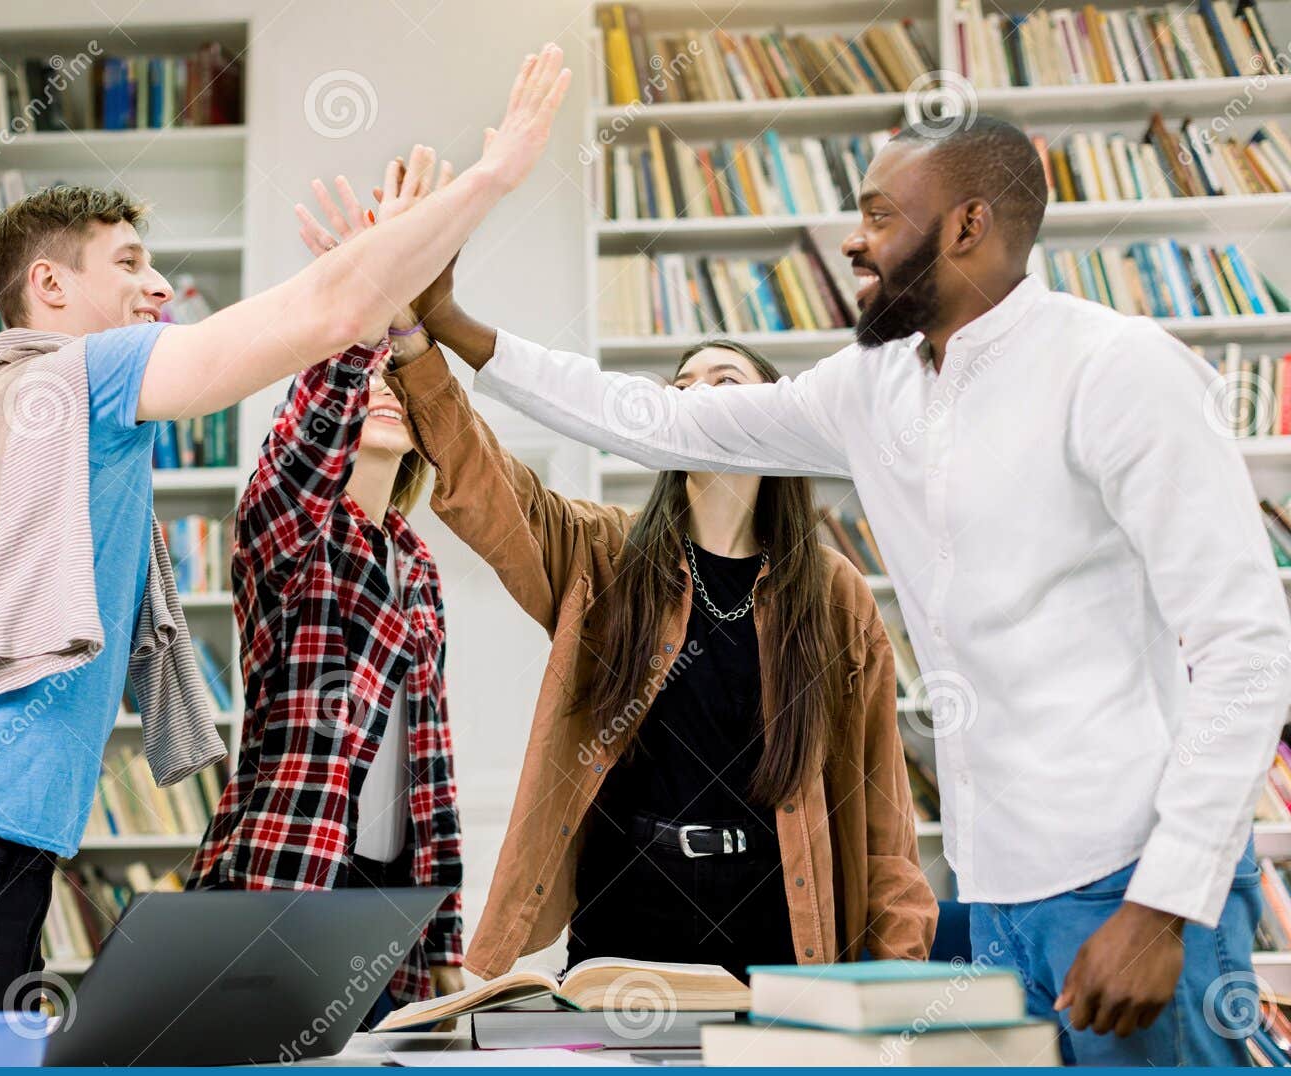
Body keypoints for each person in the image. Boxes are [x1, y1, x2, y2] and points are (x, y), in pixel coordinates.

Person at [0, 44, 571, 1066]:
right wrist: (485, 182)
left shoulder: (54, 424)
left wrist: (370, 286)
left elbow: (324, 326)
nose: (159, 287)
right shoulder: (65, 380)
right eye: (130, 265)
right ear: (48, 284)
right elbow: (311, 325)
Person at [436, 112, 1290, 1064]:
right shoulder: (874, 386)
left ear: (968, 226)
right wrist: (459, 329)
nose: (852, 239)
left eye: (880, 215)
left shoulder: (1117, 370)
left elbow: (1247, 647)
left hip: (1131, 889)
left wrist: (1164, 904)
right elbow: (654, 421)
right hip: (996, 898)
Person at [297, 195, 937, 978]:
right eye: (682, 384)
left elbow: (884, 825)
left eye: (726, 378)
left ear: (772, 419)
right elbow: (488, 484)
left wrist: (898, 985)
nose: (697, 394)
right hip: (629, 915)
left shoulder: (835, 593)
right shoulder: (605, 552)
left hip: (780, 927)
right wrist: (413, 339)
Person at [188, 156, 465, 1028]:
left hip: (391, 921)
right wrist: (365, 314)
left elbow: (433, 761)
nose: (382, 389)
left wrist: (446, 940)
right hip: (282, 888)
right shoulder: (288, 530)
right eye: (368, 379)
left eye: (396, 380)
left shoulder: (417, 565)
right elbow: (302, 446)